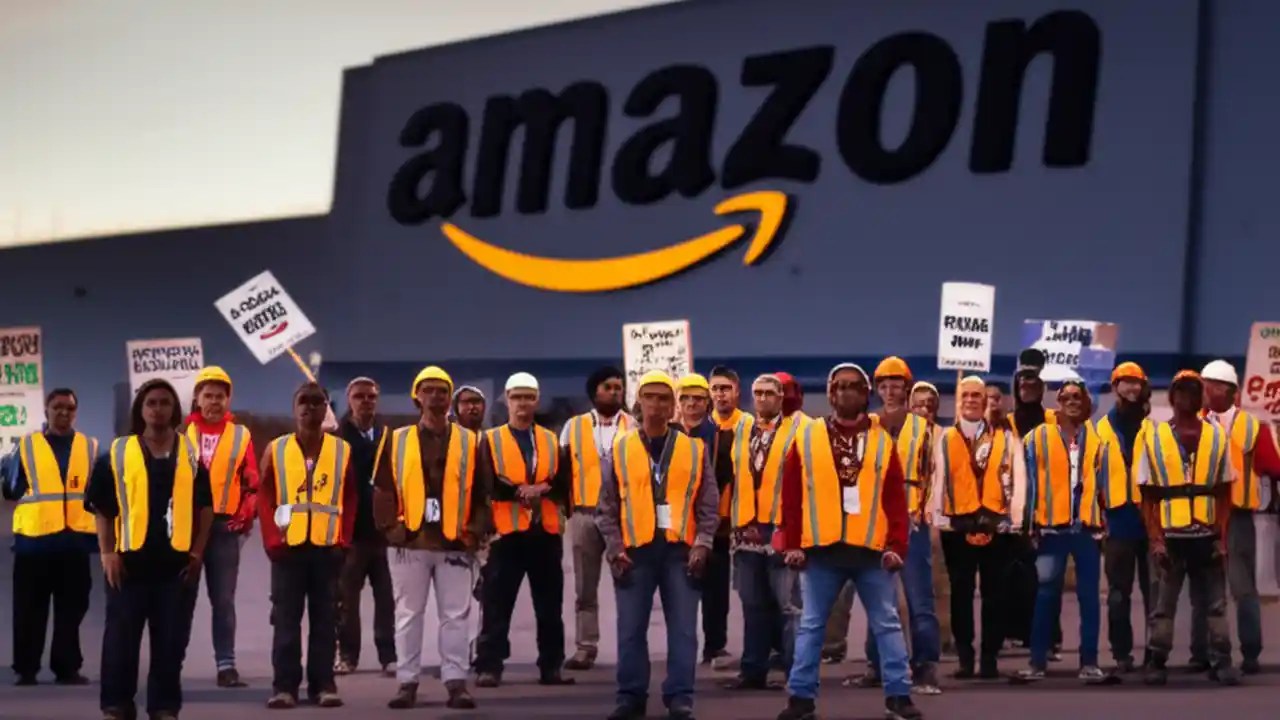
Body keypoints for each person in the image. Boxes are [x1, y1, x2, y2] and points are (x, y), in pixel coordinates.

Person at [777, 363, 922, 720]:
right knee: (812, 626)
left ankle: (899, 696)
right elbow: (791, 496)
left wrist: (896, 546)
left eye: (856, 386)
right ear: (830, 393)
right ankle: (800, 699)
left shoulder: (882, 442)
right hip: (821, 552)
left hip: (872, 553)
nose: (847, 392)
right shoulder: (806, 436)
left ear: (866, 393)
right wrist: (791, 543)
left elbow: (895, 502)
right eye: (840, 386)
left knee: (887, 624)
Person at [85, 379, 215, 720]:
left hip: (176, 568)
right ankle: (117, 704)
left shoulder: (190, 453)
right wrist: (107, 553)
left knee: (171, 644)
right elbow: (103, 509)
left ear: (175, 410)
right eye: (151, 403)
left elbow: (205, 508)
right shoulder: (117, 452)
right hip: (129, 567)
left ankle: (164, 707)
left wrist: (198, 553)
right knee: (120, 643)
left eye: (165, 403)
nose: (158, 409)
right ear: (140, 410)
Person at [598, 370, 718, 720]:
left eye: (664, 398)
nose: (656, 404)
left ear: (673, 407)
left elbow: (708, 504)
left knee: (683, 630)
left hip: (681, 553)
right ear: (639, 402)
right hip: (634, 553)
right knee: (630, 629)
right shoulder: (619, 450)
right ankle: (630, 697)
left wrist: (703, 543)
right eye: (650, 396)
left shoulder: (695, 450)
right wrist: (614, 547)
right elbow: (606, 507)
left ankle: (680, 696)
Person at [373, 366, 491, 709]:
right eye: (429, 390)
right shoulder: (396, 439)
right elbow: (382, 489)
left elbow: (483, 493)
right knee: (408, 614)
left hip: (455, 543)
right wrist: (391, 530)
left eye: (442, 390)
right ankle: (407, 682)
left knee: (456, 616)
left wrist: (473, 533)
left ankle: (456, 682)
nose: (436, 396)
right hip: (409, 543)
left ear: (449, 398)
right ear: (417, 396)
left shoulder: (471, 441)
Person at [257, 382, 359, 709]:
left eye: (317, 403)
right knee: (286, 621)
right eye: (304, 402)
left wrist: (343, 540)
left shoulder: (341, 451)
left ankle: (323, 686)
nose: (310, 408)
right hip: (287, 550)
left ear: (326, 408)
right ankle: (285, 687)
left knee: (325, 621)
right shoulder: (276, 449)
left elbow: (351, 498)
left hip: (327, 550)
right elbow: (265, 497)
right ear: (294, 408)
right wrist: (273, 540)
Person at [1137, 370, 1240, 686]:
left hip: (1207, 538)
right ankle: (1156, 661)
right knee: (1163, 607)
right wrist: (1155, 540)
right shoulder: (1154, 438)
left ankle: (1222, 661)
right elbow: (1147, 496)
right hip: (1171, 539)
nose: (1187, 397)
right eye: (1181, 391)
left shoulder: (1217, 436)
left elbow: (1224, 492)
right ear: (1171, 396)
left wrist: (1222, 538)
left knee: (1216, 605)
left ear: (1201, 397)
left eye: (1194, 391)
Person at [474, 372, 575, 687]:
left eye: (529, 397)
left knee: (549, 607)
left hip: (544, 534)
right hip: (506, 535)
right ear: (506, 399)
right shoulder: (490, 440)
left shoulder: (550, 439)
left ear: (537, 400)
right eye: (517, 396)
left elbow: (563, 481)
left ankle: (551, 666)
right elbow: (485, 484)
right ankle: (489, 666)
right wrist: (520, 490)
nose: (523, 403)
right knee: (496, 605)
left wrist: (542, 487)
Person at [848, 358, 942, 694]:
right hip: (875, 525)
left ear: (906, 387)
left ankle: (926, 668)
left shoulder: (924, 429)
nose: (890, 390)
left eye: (896, 384)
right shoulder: (867, 426)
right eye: (884, 385)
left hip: (913, 524)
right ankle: (877, 666)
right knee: (878, 599)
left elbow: (934, 475)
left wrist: (930, 517)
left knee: (920, 600)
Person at [931, 375, 1026, 680]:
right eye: (965, 395)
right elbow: (938, 479)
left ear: (986, 401)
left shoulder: (1007, 438)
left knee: (994, 595)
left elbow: (1019, 480)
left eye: (976, 395)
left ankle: (989, 658)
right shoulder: (944, 438)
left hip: (996, 526)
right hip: (957, 526)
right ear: (958, 401)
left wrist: (1016, 519)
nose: (971, 400)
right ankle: (964, 657)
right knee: (960, 594)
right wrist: (939, 519)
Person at [1190, 359, 1280, 674]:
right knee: (1203, 588)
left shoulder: (1254, 427)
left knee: (1243, 589)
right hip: (1202, 515)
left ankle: (1251, 654)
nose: (1203, 390)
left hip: (1239, 517)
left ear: (1227, 390)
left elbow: (1274, 467)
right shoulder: (1191, 424)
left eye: (1209, 385)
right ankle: (1201, 653)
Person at [1015, 378, 1108, 683]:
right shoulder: (1037, 438)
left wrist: (1104, 523)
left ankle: (1090, 662)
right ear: (1058, 402)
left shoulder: (1097, 440)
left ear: (1085, 403)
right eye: (1066, 396)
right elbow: (1026, 484)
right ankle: (1037, 662)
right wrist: (1028, 525)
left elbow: (1105, 485)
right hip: (1050, 530)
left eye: (1077, 397)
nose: (1071, 401)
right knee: (1045, 596)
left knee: (1089, 597)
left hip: (1086, 530)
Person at [4, 388, 98, 686]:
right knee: (29, 611)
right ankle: (26, 669)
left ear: (76, 411)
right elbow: (11, 488)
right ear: (47, 410)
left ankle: (67, 668)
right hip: (35, 543)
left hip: (74, 543)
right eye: (58, 407)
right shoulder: (27, 446)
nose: (63, 412)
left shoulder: (90, 447)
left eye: (69, 408)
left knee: (72, 611)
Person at [723, 374, 804, 691]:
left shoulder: (800, 430)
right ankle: (753, 670)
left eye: (770, 393)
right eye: (757, 393)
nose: (762, 398)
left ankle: (795, 673)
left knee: (788, 606)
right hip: (746, 529)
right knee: (752, 604)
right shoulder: (741, 428)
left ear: (782, 397)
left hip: (781, 527)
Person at [178, 365, 257, 688]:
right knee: (181, 599)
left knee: (223, 600)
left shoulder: (241, 435)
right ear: (197, 398)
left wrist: (247, 510)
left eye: (220, 396)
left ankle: (226, 665)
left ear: (228, 400)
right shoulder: (181, 433)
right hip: (187, 527)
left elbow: (251, 480)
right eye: (208, 395)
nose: (214, 401)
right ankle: (172, 663)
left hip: (224, 529)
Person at [561, 366, 632, 671]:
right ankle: (585, 647)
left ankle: (630, 646)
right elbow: (562, 472)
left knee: (628, 584)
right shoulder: (573, 427)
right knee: (584, 588)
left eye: (618, 387)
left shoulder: (634, 426)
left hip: (623, 519)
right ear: (594, 393)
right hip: (584, 514)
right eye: (608, 387)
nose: (615, 392)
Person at [334, 377, 396, 676]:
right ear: (349, 400)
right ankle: (347, 656)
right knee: (347, 601)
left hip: (384, 533)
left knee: (387, 599)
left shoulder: (388, 435)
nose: (366, 401)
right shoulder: (336, 436)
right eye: (359, 396)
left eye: (371, 396)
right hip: (351, 532)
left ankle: (389, 655)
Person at [675, 373, 736, 671]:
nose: (691, 404)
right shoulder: (668, 435)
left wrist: (715, 523)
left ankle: (715, 646)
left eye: (698, 399)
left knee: (715, 591)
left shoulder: (721, 437)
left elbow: (725, 482)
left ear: (707, 402)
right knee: (680, 589)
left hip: (714, 525)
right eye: (685, 398)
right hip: (675, 525)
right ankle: (682, 647)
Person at [1095, 362, 1153, 673]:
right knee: (1118, 594)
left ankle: (1155, 653)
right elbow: (1091, 479)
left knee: (1154, 593)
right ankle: (1121, 653)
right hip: (1117, 522)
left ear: (1143, 387)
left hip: (1152, 521)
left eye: (1136, 383)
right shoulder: (1100, 429)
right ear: (1115, 386)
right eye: (1124, 382)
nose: (1131, 388)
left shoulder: (1155, 428)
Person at [1005, 350, 1060, 655]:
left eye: (1033, 383)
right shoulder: (1006, 423)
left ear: (1042, 388)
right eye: (1023, 382)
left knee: (1045, 576)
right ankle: (1016, 631)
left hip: (1047, 508)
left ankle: (1048, 637)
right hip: (1013, 508)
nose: (1027, 387)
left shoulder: (1054, 420)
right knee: (1013, 573)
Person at [705, 365, 745, 668]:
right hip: (715, 523)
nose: (720, 394)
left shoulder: (751, 425)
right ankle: (714, 646)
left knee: (752, 589)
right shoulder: (703, 429)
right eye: (715, 388)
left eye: (725, 388)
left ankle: (766, 648)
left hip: (746, 520)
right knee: (714, 586)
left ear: (737, 391)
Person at [910, 382, 952, 658]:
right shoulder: (900, 436)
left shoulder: (945, 437)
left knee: (937, 588)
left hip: (937, 522)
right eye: (919, 404)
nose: (925, 409)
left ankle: (939, 645)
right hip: (905, 524)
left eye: (930, 404)